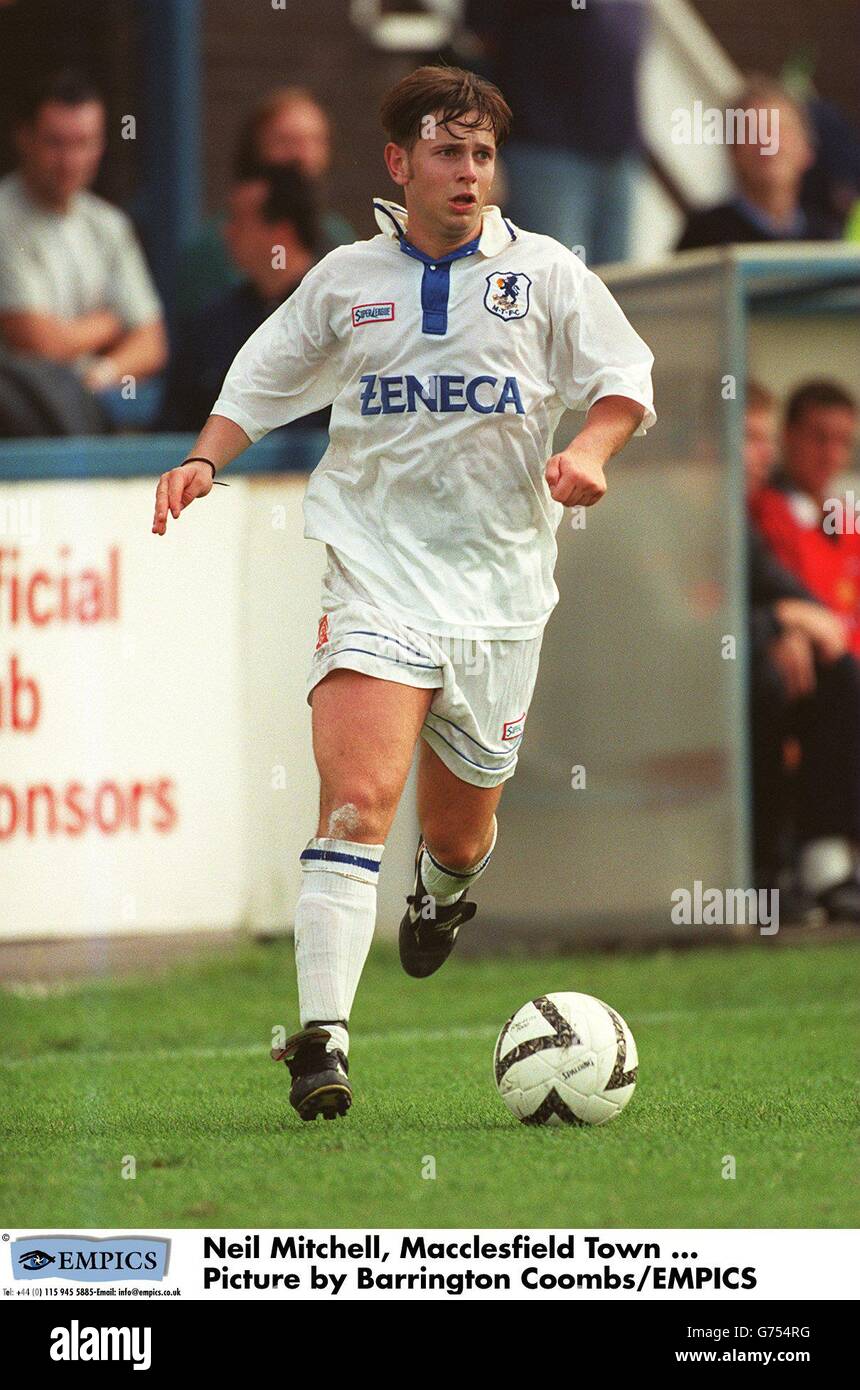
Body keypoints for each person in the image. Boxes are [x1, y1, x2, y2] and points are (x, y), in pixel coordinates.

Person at [151, 65, 655, 1120]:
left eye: (480, 154)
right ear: (398, 163)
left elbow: (622, 380)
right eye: (445, 151)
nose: (467, 172)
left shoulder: (548, 274)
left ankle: (441, 896)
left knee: (462, 832)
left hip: (501, 595)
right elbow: (261, 372)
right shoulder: (346, 279)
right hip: (375, 571)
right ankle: (320, 1041)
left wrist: (593, 450)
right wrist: (206, 459)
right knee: (354, 802)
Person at [748, 381, 860, 919]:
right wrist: (781, 624)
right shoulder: (761, 512)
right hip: (805, 682)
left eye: (843, 442)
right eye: (819, 438)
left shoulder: (846, 517)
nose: (831, 455)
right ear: (790, 437)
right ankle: (814, 864)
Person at [0, 69, 166, 416]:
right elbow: (40, 344)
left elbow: (152, 343)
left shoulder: (109, 224)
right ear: (24, 138)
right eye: (55, 143)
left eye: (83, 143)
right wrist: (111, 324)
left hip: (94, 416)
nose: (70, 161)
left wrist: (100, 373)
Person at [464, 0, 649, 266]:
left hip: (619, 148)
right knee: (553, 277)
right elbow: (480, 45)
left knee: (614, 287)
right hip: (543, 151)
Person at [160, 164, 329, 433]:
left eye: (239, 219)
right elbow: (172, 427)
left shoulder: (335, 313)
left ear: (281, 233)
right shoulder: (211, 324)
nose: (227, 232)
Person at [175, 88, 355, 324]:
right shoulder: (216, 245)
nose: (303, 155)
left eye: (315, 141)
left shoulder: (337, 235)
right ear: (254, 149)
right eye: (287, 141)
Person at [676, 78, 834, 252]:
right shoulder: (704, 237)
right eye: (754, 132)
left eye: (781, 130)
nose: (768, 143)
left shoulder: (827, 241)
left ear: (807, 151)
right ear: (733, 151)